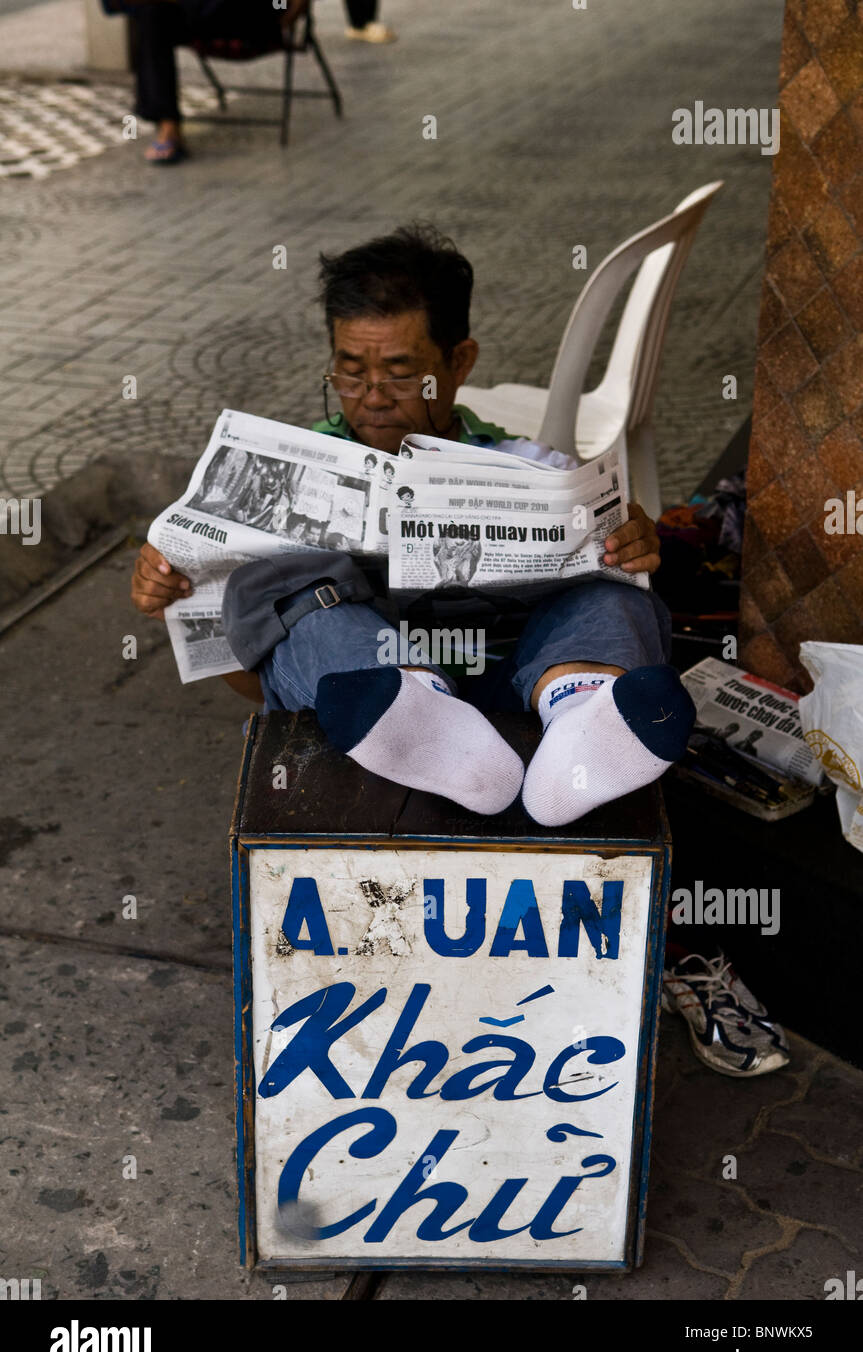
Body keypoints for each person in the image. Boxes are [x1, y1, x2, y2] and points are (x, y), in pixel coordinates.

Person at [130, 225, 786, 1075]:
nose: (372, 396)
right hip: (378, 692)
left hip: (521, 678)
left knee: (603, 592)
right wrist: (178, 592)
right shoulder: (281, 479)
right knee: (301, 593)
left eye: (402, 371)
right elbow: (254, 694)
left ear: (460, 359)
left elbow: (617, 577)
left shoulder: (531, 467)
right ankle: (414, 706)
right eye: (349, 368)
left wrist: (627, 544)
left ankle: (585, 717)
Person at [104, 0, 302, 164]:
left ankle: (168, 127)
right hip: (202, 16)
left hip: (258, 14)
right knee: (152, 14)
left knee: (153, 11)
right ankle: (168, 125)